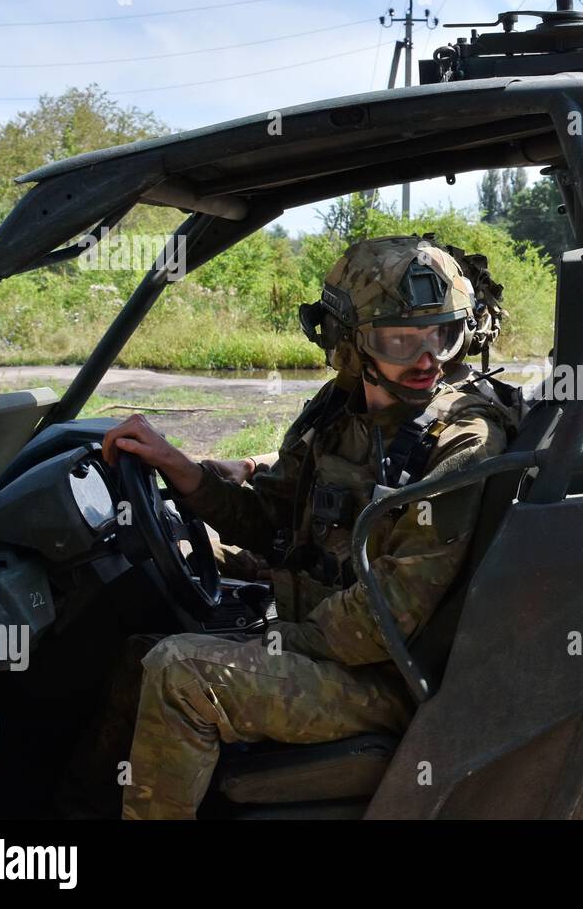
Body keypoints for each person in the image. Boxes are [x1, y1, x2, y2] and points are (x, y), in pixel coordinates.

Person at [100, 234, 511, 819]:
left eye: (443, 336)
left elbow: (383, 622)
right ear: (352, 343)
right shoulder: (341, 412)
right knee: (137, 651)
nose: (428, 360)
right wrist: (184, 472)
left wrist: (265, 638)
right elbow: (272, 517)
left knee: (179, 672)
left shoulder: (460, 441)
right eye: (402, 339)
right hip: (327, 643)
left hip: (388, 679)